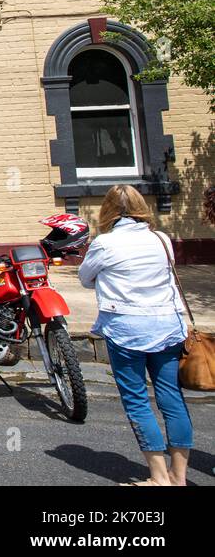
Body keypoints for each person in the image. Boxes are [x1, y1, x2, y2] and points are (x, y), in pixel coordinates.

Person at [78, 185, 191, 486]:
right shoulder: (161, 239)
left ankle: (158, 478)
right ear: (141, 207)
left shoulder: (104, 243)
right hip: (167, 325)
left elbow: (85, 278)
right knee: (172, 398)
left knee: (137, 400)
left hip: (127, 328)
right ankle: (178, 477)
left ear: (107, 211)